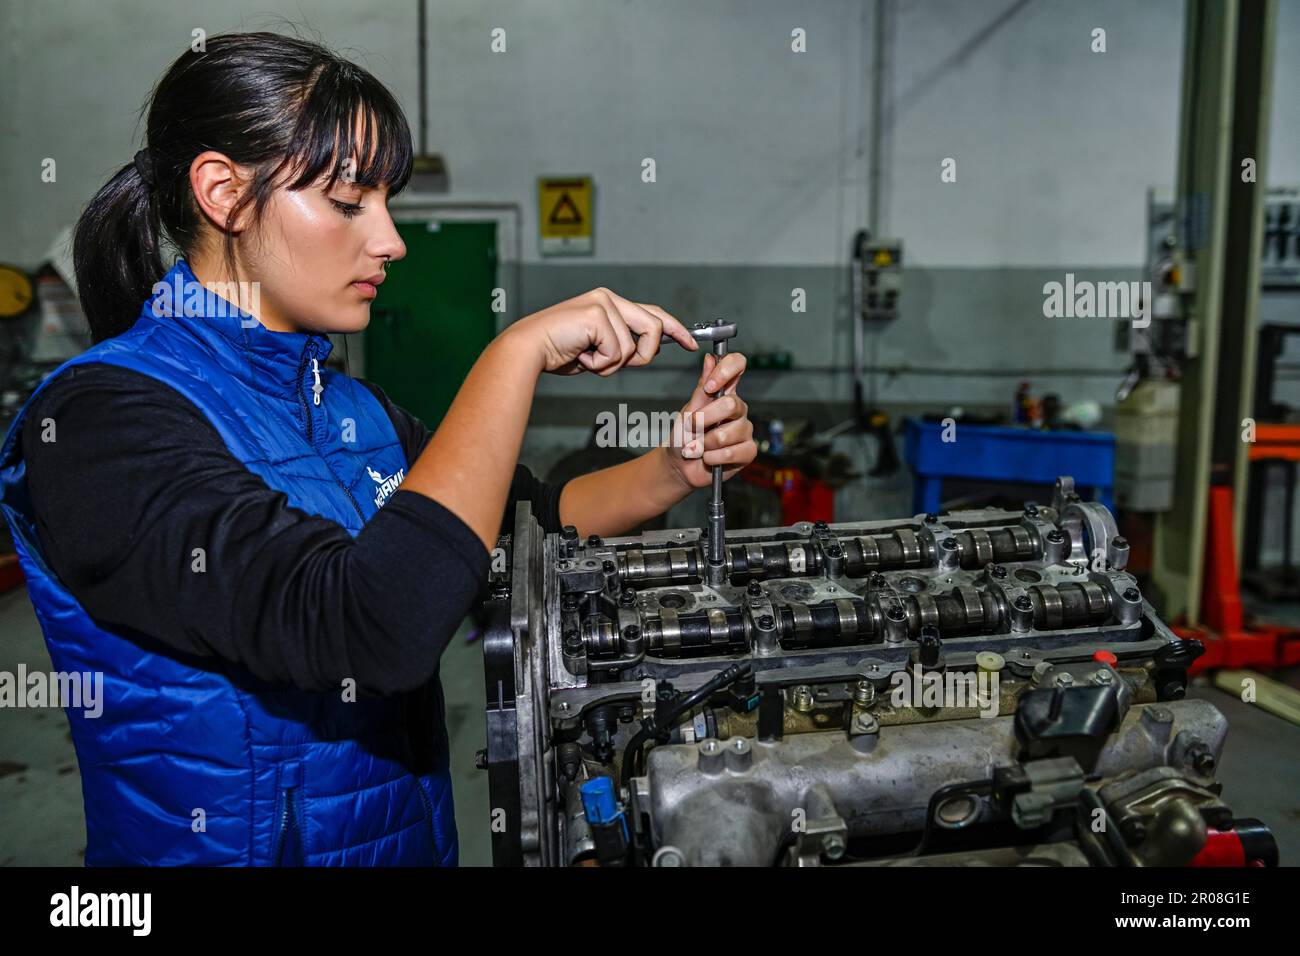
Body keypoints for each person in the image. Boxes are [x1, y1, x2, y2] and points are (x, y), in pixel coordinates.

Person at [0, 31, 755, 866]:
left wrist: (674, 466)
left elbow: (525, 526)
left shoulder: (354, 410)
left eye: (386, 202)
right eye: (350, 202)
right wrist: (514, 356)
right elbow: (369, 626)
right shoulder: (100, 423)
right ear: (222, 192)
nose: (392, 240)